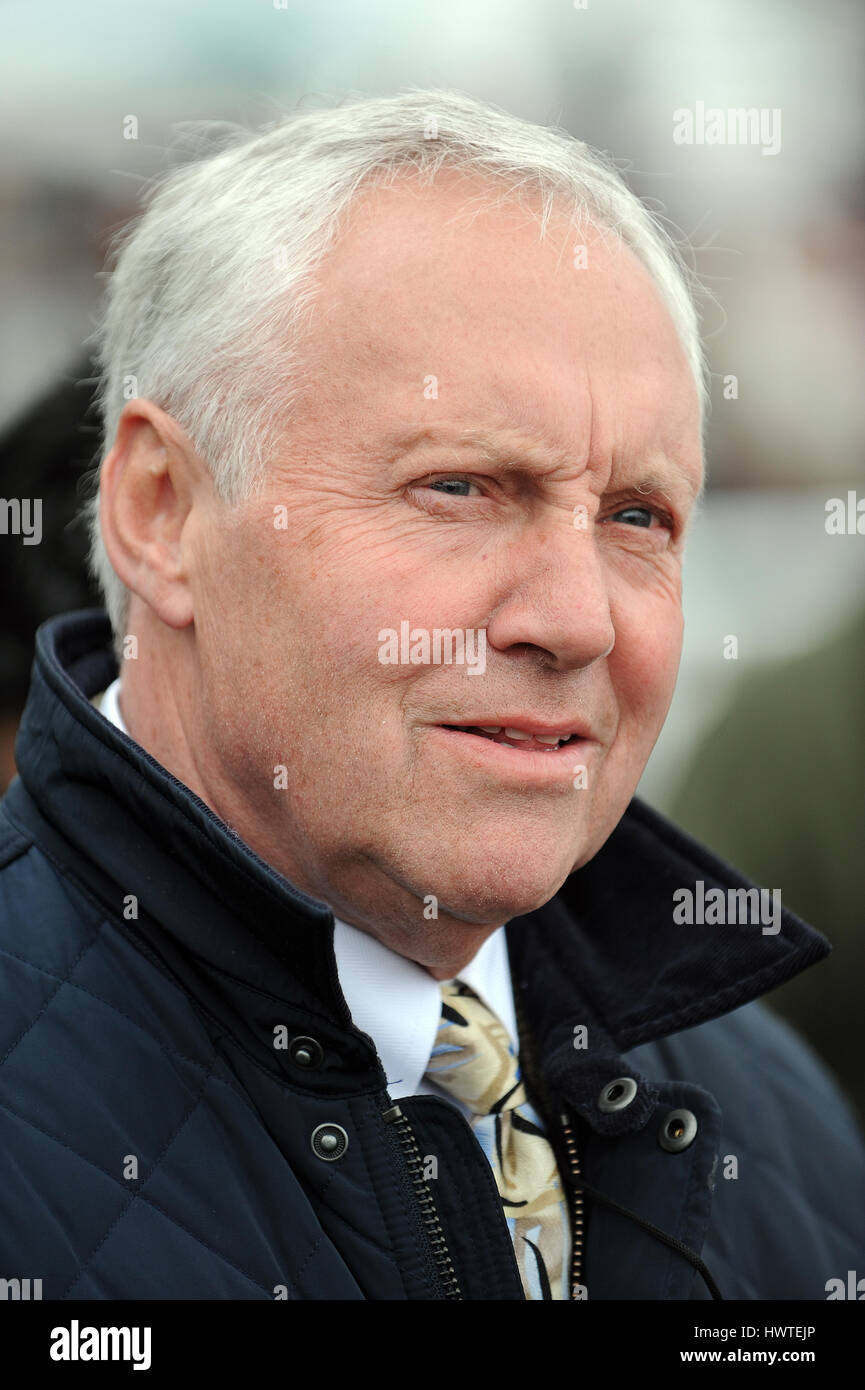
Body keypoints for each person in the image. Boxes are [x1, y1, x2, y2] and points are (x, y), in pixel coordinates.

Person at [0, 90, 861, 1302]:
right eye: (461, 488)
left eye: (635, 517)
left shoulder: (774, 1116)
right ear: (162, 510)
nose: (573, 617)